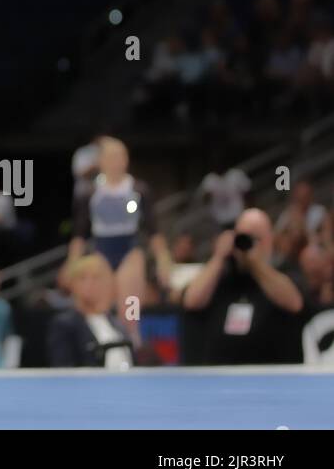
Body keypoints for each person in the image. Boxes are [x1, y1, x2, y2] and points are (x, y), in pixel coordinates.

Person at [65, 135, 172, 343]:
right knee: (98, 307)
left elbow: (153, 231)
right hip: (102, 251)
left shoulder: (138, 190)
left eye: (120, 156)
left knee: (130, 309)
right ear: (101, 161)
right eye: (111, 156)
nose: (116, 161)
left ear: (127, 159)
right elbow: (79, 233)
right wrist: (72, 264)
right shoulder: (89, 191)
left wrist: (163, 260)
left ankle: (132, 340)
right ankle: (100, 344)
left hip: (129, 252)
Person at [181, 208, 304, 365]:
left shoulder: (284, 271)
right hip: (219, 376)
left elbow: (294, 303)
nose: (246, 244)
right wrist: (218, 257)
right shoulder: (221, 276)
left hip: (271, 375)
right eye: (242, 237)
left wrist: (256, 263)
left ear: (269, 240)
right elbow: (191, 301)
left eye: (255, 238)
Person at [47, 255, 134, 369]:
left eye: (96, 277)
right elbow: (64, 370)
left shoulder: (116, 323)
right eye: (82, 278)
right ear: (73, 284)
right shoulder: (65, 325)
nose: (89, 284)